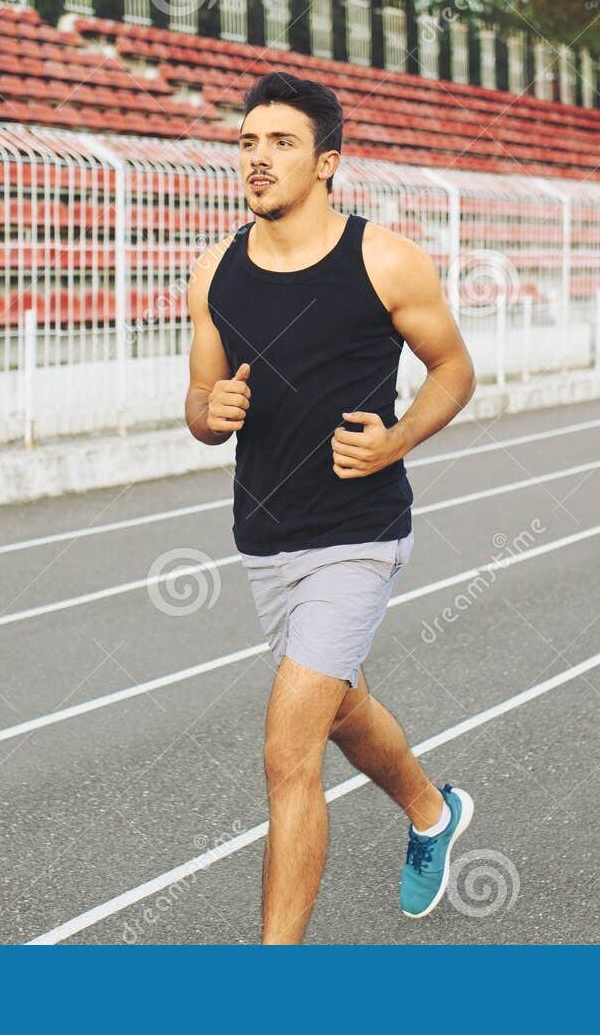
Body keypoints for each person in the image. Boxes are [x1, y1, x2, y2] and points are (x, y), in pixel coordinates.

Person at [184, 71, 479, 943]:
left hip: (359, 533)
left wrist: (394, 441)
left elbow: (454, 369)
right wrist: (212, 414)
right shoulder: (216, 272)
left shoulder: (383, 259)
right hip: (265, 536)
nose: (258, 159)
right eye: (247, 142)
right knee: (339, 704)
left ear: (327, 164)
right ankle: (433, 811)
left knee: (288, 752)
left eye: (280, 143)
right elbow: (198, 404)